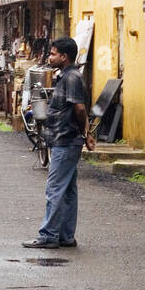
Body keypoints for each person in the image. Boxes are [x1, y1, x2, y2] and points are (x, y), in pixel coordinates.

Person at [23, 36, 95, 250]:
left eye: (53, 54)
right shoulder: (65, 76)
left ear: (64, 57)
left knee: (54, 188)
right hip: (66, 140)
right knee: (68, 190)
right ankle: (65, 236)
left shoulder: (71, 78)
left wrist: (86, 132)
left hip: (66, 140)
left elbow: (79, 108)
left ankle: (48, 235)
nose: (50, 57)